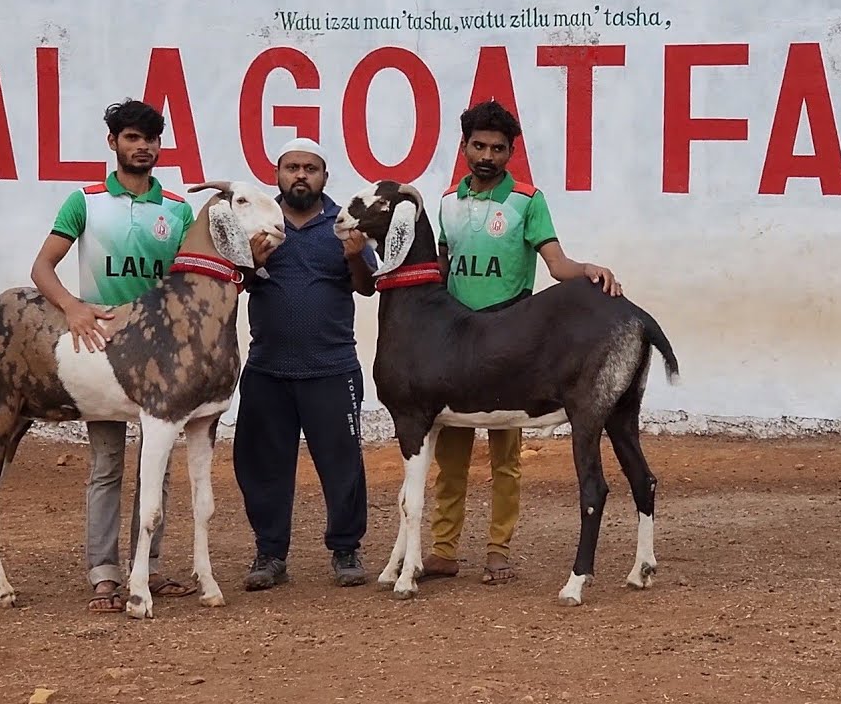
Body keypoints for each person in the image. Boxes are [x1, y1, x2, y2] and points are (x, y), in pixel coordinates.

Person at [419, 99, 623, 585]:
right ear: (464, 146)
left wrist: (588, 269)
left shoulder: (527, 200)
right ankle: (443, 550)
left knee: (505, 456)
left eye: (497, 148)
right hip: (455, 341)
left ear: (511, 152)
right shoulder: (447, 202)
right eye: (479, 145)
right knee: (449, 454)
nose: (487, 155)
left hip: (508, 340)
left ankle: (497, 552)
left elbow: (556, 264)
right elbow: (442, 271)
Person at [30, 98, 200, 613]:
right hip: (100, 351)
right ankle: (103, 574)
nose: (142, 146)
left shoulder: (178, 208)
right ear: (113, 143)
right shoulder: (84, 201)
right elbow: (42, 267)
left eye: (150, 138)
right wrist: (74, 308)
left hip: (159, 354)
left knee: (159, 467)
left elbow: (185, 281)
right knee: (106, 463)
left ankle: (145, 567)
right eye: (132, 137)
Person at [232, 137, 378, 590]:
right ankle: (270, 553)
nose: (300, 175)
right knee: (263, 464)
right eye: (291, 167)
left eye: (309, 168)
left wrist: (355, 257)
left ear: (324, 177)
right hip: (267, 369)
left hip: (332, 368)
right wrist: (250, 265)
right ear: (277, 175)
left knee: (342, 465)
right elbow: (232, 286)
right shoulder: (256, 223)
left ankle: (345, 549)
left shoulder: (344, 224)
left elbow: (368, 287)